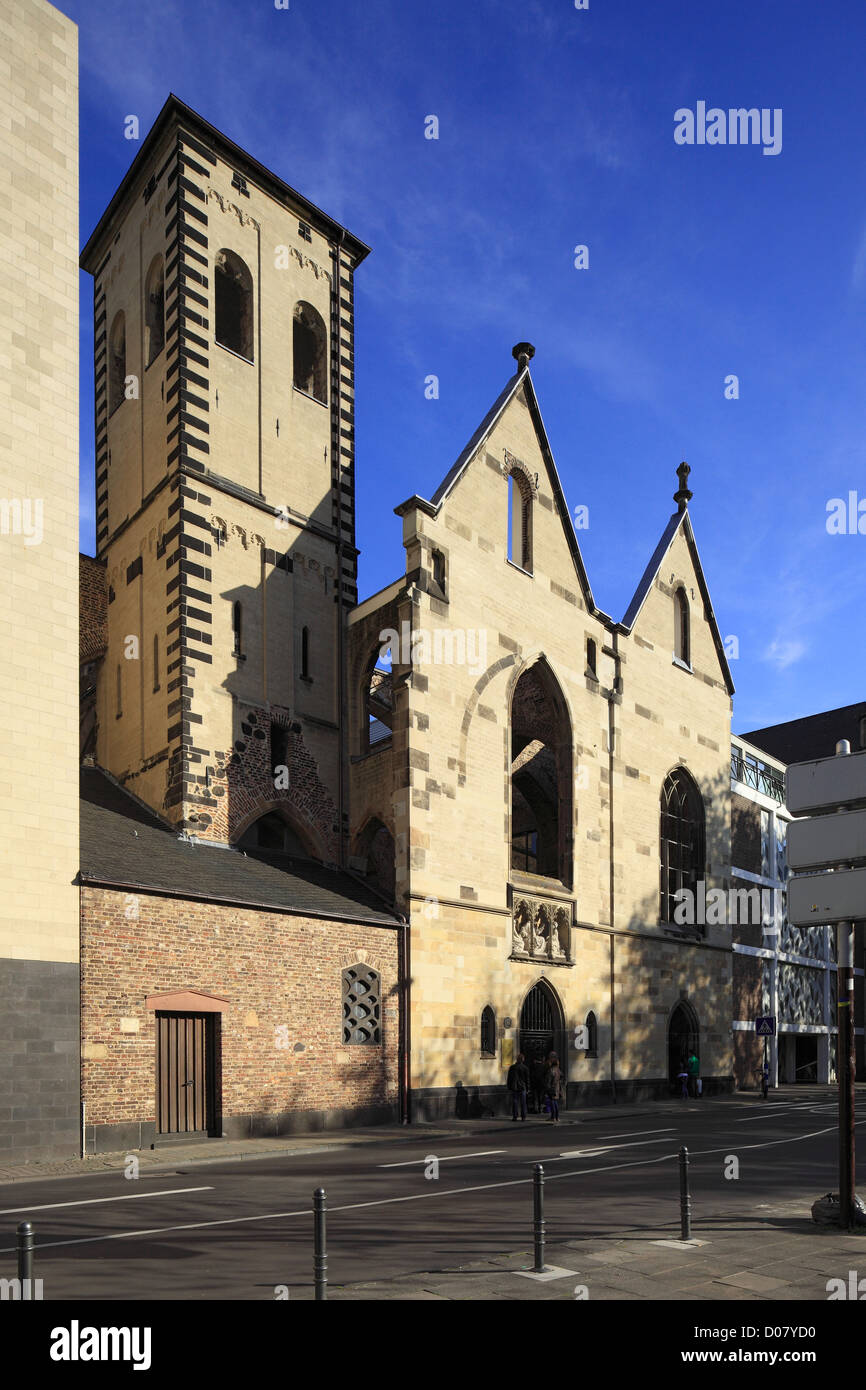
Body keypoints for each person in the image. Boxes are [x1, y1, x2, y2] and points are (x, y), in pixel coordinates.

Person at [506, 1051, 530, 1120]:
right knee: (523, 1103)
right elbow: (527, 1079)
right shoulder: (525, 1068)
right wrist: (528, 1088)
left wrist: (509, 1086)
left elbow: (509, 1078)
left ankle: (515, 1116)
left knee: (515, 1102)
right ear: (523, 1060)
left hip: (514, 1087)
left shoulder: (512, 1067)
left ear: (517, 1059)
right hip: (522, 1087)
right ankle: (523, 1116)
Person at [544, 1052, 563, 1122]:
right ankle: (557, 1117)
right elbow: (561, 1076)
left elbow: (548, 1081)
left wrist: (547, 1089)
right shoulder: (558, 1070)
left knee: (552, 1103)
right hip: (557, 1088)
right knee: (555, 1103)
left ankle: (553, 1117)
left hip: (551, 1088)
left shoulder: (551, 1070)